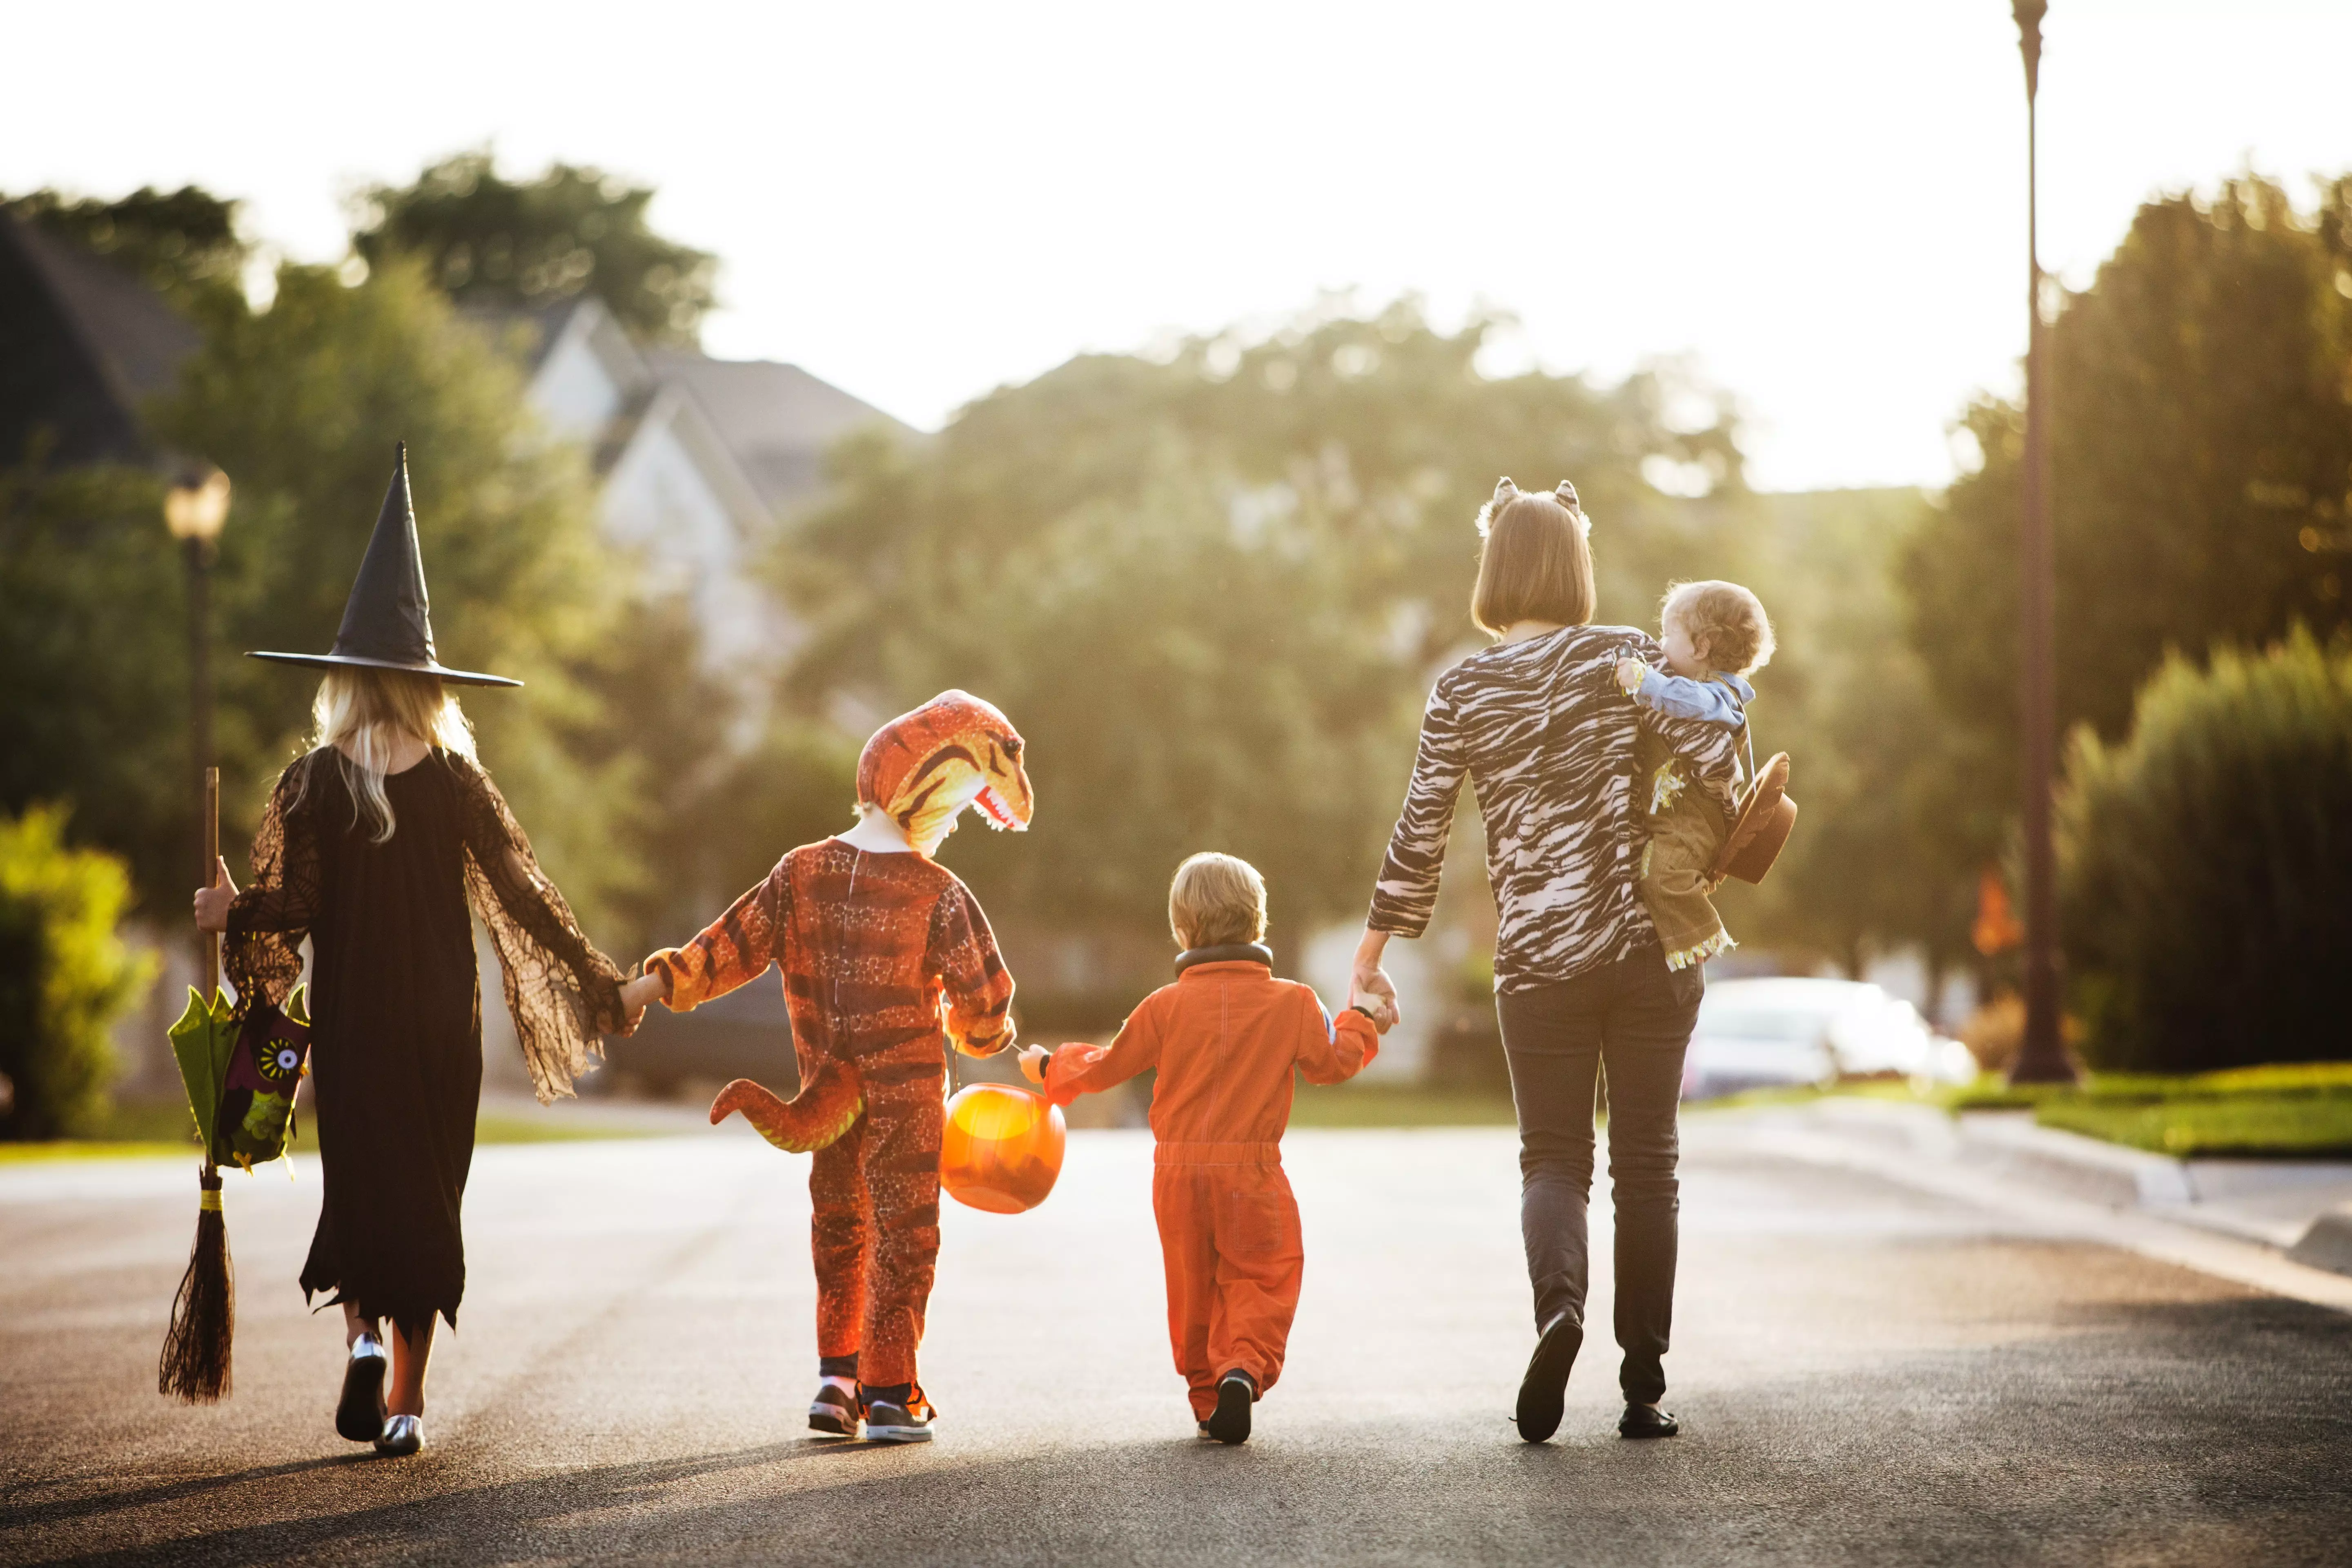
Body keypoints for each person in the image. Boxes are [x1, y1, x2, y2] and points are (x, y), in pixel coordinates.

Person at [196, 447, 635, 1459]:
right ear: (429, 684)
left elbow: (293, 909)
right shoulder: (457, 781)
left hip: (355, 1024)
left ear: (343, 682)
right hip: (442, 1022)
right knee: (430, 1202)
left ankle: (355, 1338)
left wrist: (231, 909)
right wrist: (594, 976)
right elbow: (523, 892)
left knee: (360, 1188)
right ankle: (403, 1401)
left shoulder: (313, 780)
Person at [1349, 477, 1743, 1444]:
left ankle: (1556, 1311)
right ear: (1575, 563)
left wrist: (1367, 958)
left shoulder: (1462, 688)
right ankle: (1642, 1384)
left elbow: (1419, 834)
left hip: (1536, 960)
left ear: (1492, 568)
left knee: (1554, 1158)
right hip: (1651, 948)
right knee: (1647, 1164)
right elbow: (1717, 748)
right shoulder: (1624, 653)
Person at [619, 690, 1032, 1444]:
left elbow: (726, 947)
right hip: (906, 1099)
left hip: (825, 1086)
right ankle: (889, 1391)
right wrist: (990, 1039)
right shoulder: (939, 894)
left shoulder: (799, 871)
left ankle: (835, 1383)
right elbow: (985, 1007)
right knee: (905, 1236)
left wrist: (642, 989)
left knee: (841, 1228)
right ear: (935, 793)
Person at [1019, 852, 1384, 1445]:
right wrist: (1363, 1019)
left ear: (1182, 931)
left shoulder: (1163, 1007)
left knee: (1192, 1287)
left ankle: (1207, 1397)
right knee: (1262, 1277)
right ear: (1259, 924)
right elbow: (1334, 1060)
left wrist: (1046, 1066)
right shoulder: (1293, 1002)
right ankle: (1242, 1367)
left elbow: (1107, 1066)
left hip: (1178, 1175)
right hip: (1254, 1173)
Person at [1610, 579, 1778, 972]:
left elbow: (1687, 701)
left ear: (1701, 648)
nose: (1661, 645)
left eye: (1668, 635)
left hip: (1697, 819)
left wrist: (1645, 682)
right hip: (1676, 811)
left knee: (1661, 876)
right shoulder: (1697, 688)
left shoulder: (1718, 697)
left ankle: (1698, 939)